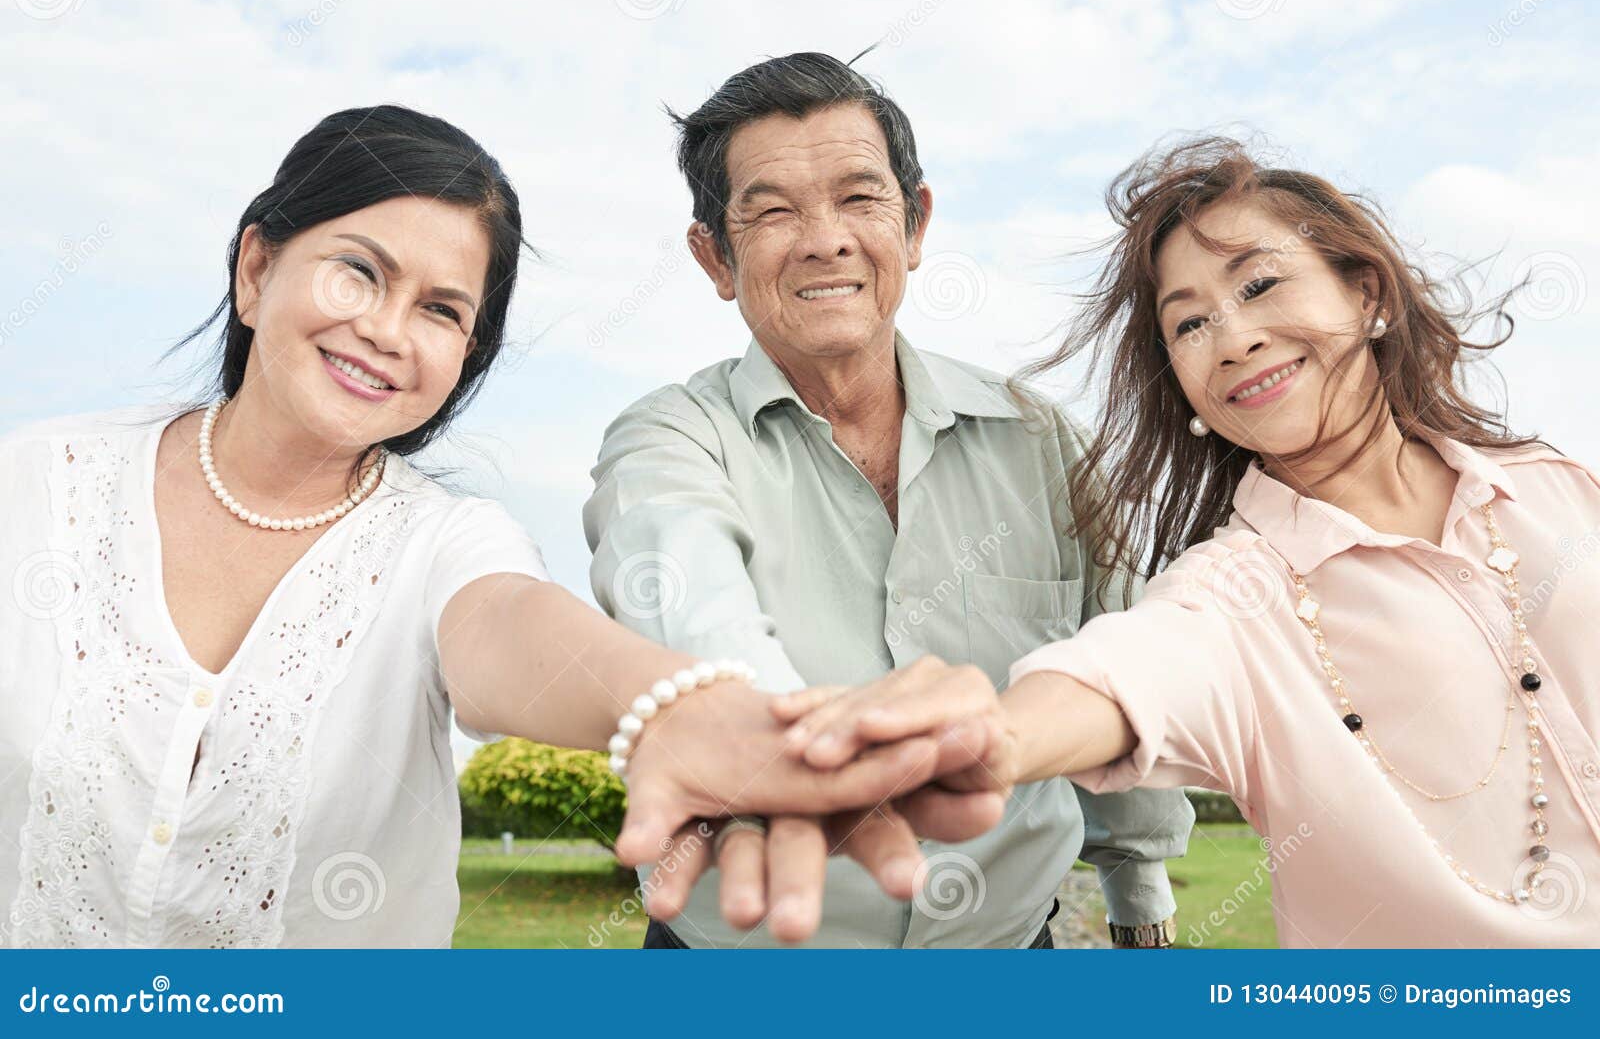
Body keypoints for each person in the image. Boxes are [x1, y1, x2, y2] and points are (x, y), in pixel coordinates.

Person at [0, 105, 998, 948]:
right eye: (359, 272)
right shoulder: (33, 481)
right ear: (257, 269)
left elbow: (514, 631)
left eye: (441, 310)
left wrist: (677, 706)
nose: (388, 331)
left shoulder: (446, 544)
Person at [776, 136, 1600, 946]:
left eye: (1261, 284)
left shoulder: (1559, 486)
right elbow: (1126, 673)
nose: (1234, 338)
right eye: (1192, 323)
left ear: (1367, 294)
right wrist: (991, 736)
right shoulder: (1234, 602)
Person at [584, 53, 1194, 949]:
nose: (825, 238)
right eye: (773, 209)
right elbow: (686, 591)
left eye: (859, 198)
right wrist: (781, 759)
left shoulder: (1039, 437)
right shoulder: (668, 440)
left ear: (914, 225)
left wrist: (1139, 893)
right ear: (715, 254)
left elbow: (1116, 650)